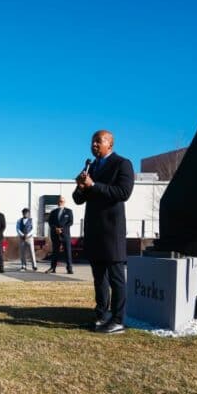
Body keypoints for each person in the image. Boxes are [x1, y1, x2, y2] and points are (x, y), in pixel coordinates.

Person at [73, 129, 135, 334]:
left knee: (116, 277)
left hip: (112, 230)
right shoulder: (91, 166)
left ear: (110, 144)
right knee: (99, 277)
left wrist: (94, 185)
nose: (94, 145)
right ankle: (101, 316)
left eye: (98, 141)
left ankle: (118, 320)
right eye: (92, 142)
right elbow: (78, 199)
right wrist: (81, 186)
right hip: (94, 230)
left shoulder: (122, 164)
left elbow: (123, 193)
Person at [47, 196, 74, 274]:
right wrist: (56, 228)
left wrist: (61, 229)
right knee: (55, 251)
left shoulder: (69, 211)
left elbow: (70, 222)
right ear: (57, 202)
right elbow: (50, 222)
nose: (60, 202)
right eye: (59, 201)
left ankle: (69, 268)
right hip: (55, 234)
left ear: (64, 202)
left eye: (62, 201)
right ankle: (53, 268)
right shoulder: (53, 212)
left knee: (68, 252)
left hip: (65, 234)